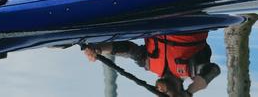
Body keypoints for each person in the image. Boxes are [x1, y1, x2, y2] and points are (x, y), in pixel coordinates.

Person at [83, 31, 220, 97]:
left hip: (158, 14)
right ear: (179, 93)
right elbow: (214, 70)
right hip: (185, 11)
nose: (158, 91)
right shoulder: (192, 69)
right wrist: (190, 92)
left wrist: (98, 49)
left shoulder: (149, 64)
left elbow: (128, 49)